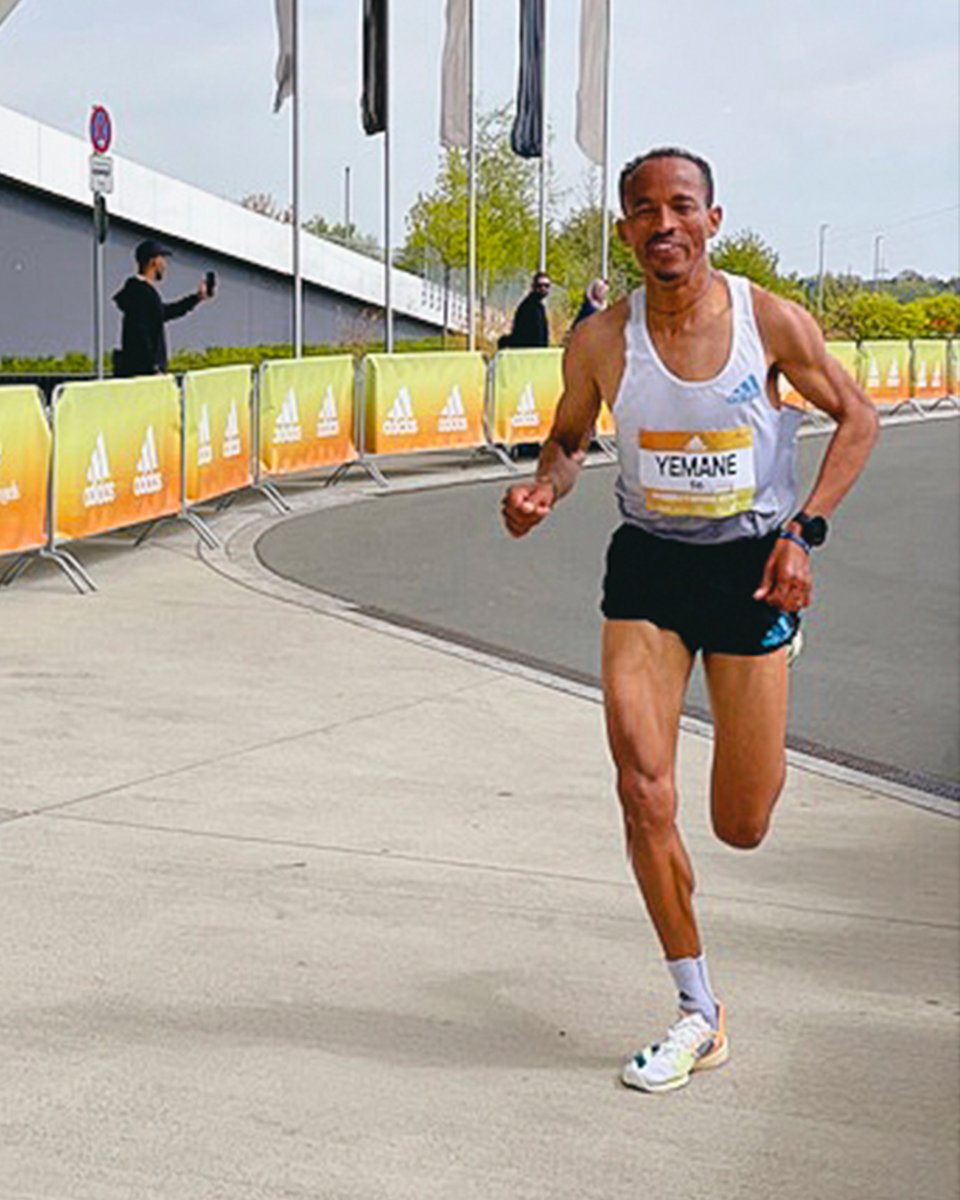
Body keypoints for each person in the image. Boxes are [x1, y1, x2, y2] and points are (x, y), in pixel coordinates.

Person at [501, 148, 878, 1094]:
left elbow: (858, 417)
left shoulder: (768, 320)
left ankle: (778, 659)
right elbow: (568, 438)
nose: (662, 224)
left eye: (680, 207)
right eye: (644, 210)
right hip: (650, 569)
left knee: (741, 824)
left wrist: (804, 532)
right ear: (625, 229)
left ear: (712, 220)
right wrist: (544, 487)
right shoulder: (601, 339)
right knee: (643, 790)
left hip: (752, 571)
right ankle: (697, 1011)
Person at [113, 239, 212, 378]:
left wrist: (197, 298)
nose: (165, 265)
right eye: (162, 259)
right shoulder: (141, 292)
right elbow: (140, 332)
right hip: (144, 373)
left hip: (141, 371)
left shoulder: (139, 291)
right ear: (153, 261)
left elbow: (164, 313)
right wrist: (152, 367)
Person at [499, 271, 551, 349]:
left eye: (546, 286)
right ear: (533, 287)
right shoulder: (529, 307)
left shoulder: (538, 306)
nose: (543, 288)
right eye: (539, 286)